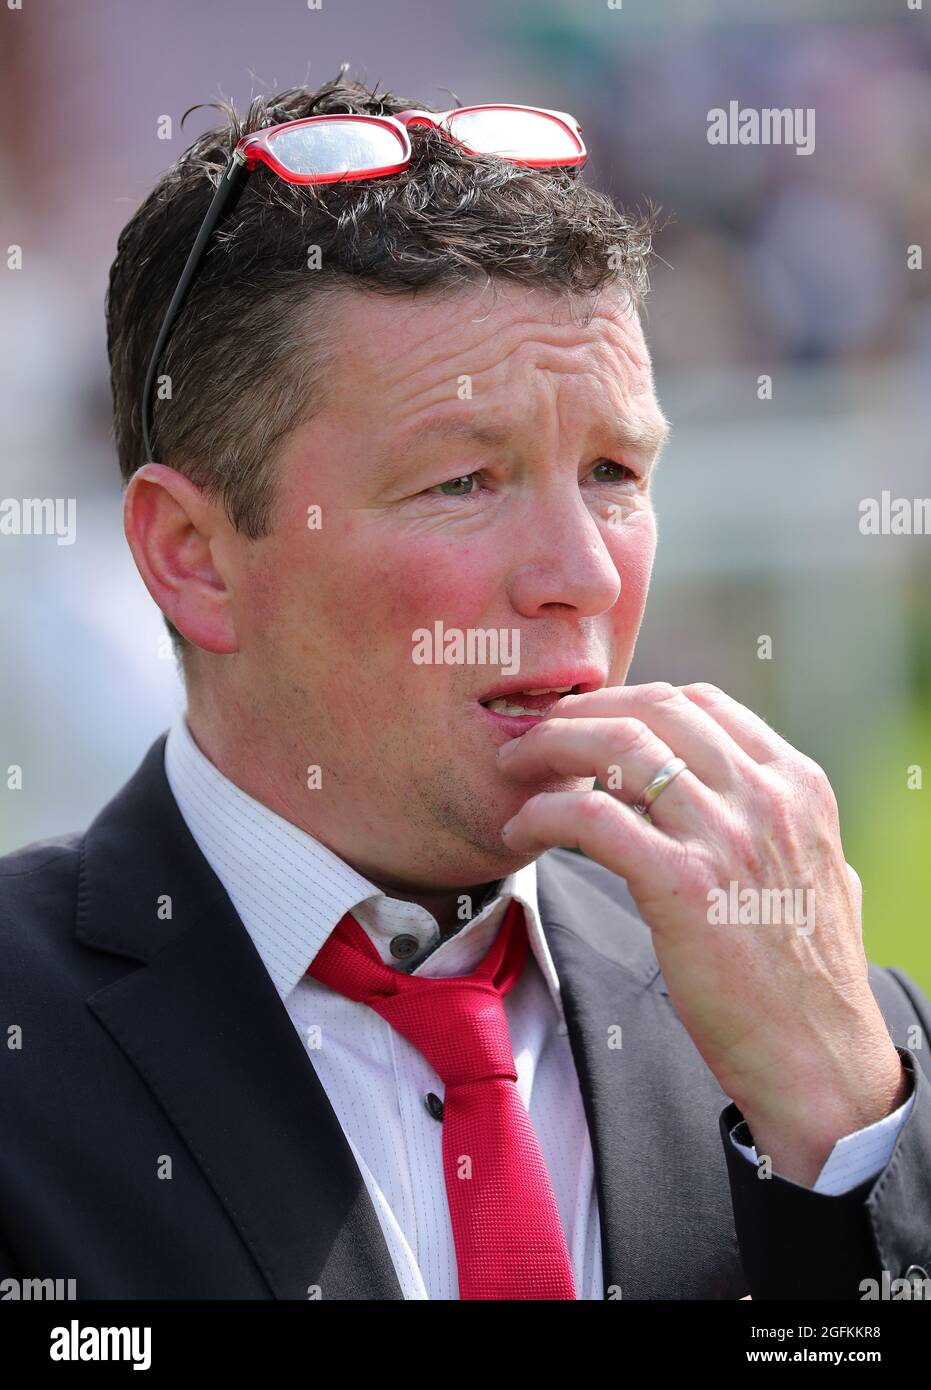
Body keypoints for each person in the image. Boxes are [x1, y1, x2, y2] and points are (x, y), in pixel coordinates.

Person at [2, 71, 929, 1301]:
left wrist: (843, 1134)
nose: (582, 575)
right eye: (462, 483)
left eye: (611, 469)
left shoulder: (841, 1035)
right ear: (195, 559)